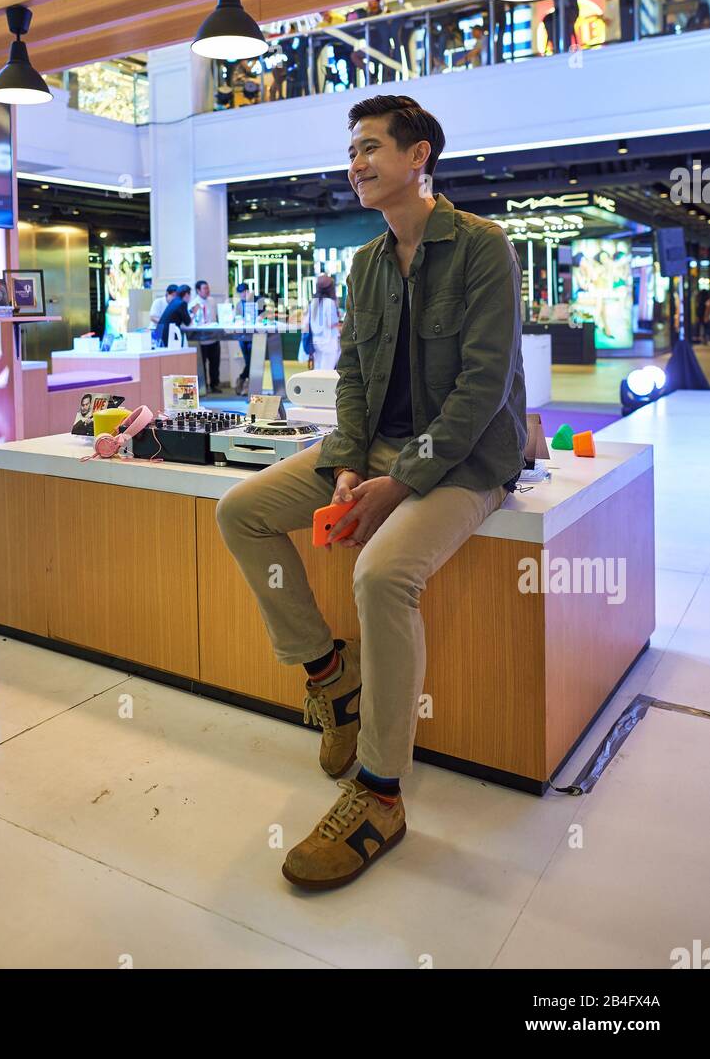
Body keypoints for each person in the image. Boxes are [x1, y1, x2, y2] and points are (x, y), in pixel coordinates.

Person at [216, 93, 527, 891]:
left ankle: (381, 793)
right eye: (351, 150)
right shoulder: (363, 264)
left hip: (463, 461)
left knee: (382, 574)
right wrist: (352, 461)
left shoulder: (483, 248)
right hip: (377, 450)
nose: (354, 163)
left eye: (369, 147)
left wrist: (400, 482)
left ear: (417, 155)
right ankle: (328, 676)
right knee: (241, 510)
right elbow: (353, 374)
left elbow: (482, 387)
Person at [302, 274, 341, 370]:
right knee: (327, 372)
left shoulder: (314, 302)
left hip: (316, 341)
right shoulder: (330, 303)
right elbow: (331, 323)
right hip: (329, 342)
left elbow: (306, 322)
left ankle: (316, 385)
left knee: (318, 370)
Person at [191, 279, 223, 392]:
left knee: (215, 363)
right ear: (198, 290)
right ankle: (204, 387)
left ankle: (215, 385)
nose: (207, 290)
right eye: (205, 288)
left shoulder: (212, 301)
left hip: (214, 337)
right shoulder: (193, 303)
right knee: (202, 364)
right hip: (201, 339)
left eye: (208, 288)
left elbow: (216, 316)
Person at [234, 284, 254, 394]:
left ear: (247, 291)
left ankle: (242, 380)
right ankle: (246, 385)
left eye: (244, 292)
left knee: (251, 362)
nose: (242, 294)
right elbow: (236, 318)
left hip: (252, 336)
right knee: (248, 361)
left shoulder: (255, 301)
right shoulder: (238, 304)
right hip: (242, 336)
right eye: (240, 293)